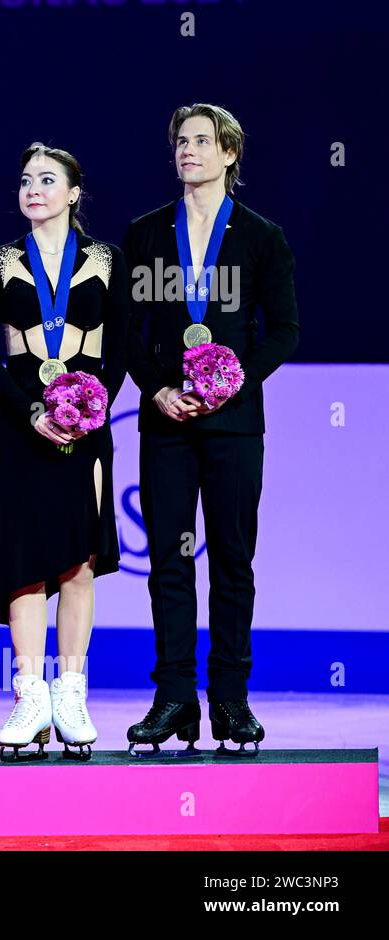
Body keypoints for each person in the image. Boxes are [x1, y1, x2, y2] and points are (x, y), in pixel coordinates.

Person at [124, 103, 299, 757]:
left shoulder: (260, 236)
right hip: (166, 424)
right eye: (180, 142)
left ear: (230, 154)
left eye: (202, 141)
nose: (187, 150)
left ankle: (230, 699)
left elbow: (284, 330)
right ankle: (174, 698)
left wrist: (235, 380)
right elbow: (128, 335)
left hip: (232, 427)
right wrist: (158, 388)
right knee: (168, 563)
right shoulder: (147, 234)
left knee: (231, 561)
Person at [0, 143, 129, 760]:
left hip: (86, 428)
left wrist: (93, 404)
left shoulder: (107, 260)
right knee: (25, 560)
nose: (33, 189)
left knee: (78, 561)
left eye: (47, 180)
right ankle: (30, 693)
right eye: (26, 180)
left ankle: (70, 690)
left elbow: (119, 349)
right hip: (20, 424)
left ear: (73, 193)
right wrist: (31, 408)